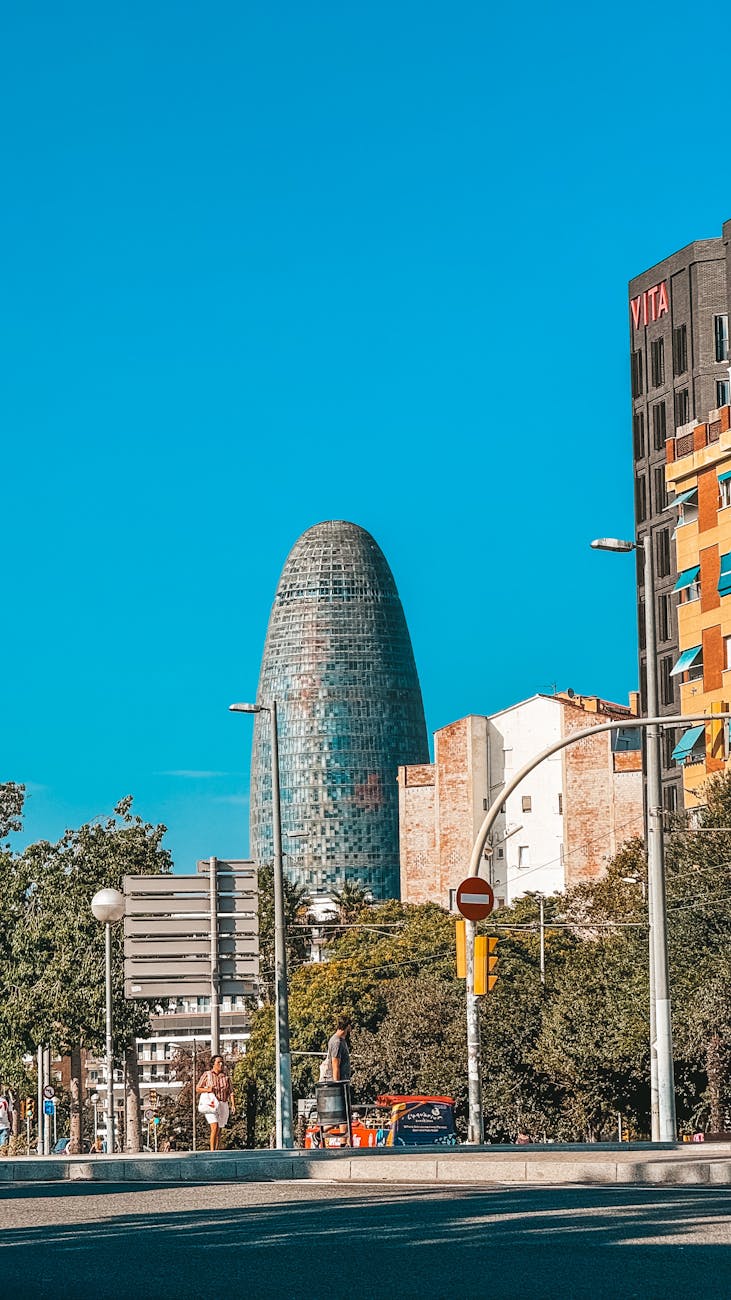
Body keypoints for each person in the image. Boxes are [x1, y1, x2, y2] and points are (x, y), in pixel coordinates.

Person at [196, 1054, 236, 1151]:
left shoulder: (226, 1077)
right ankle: (212, 1151)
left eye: (222, 1062)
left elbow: (231, 1091)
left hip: (222, 1104)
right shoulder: (207, 1075)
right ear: (213, 1064)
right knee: (215, 1126)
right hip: (211, 1104)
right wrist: (208, 1089)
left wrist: (233, 1104)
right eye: (218, 1062)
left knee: (219, 1129)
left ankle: (217, 1149)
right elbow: (198, 1088)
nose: (221, 1064)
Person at [323, 1016, 352, 1084]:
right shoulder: (337, 1042)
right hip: (340, 1082)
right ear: (348, 1026)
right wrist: (337, 1085)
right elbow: (335, 1065)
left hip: (344, 1080)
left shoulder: (341, 1040)